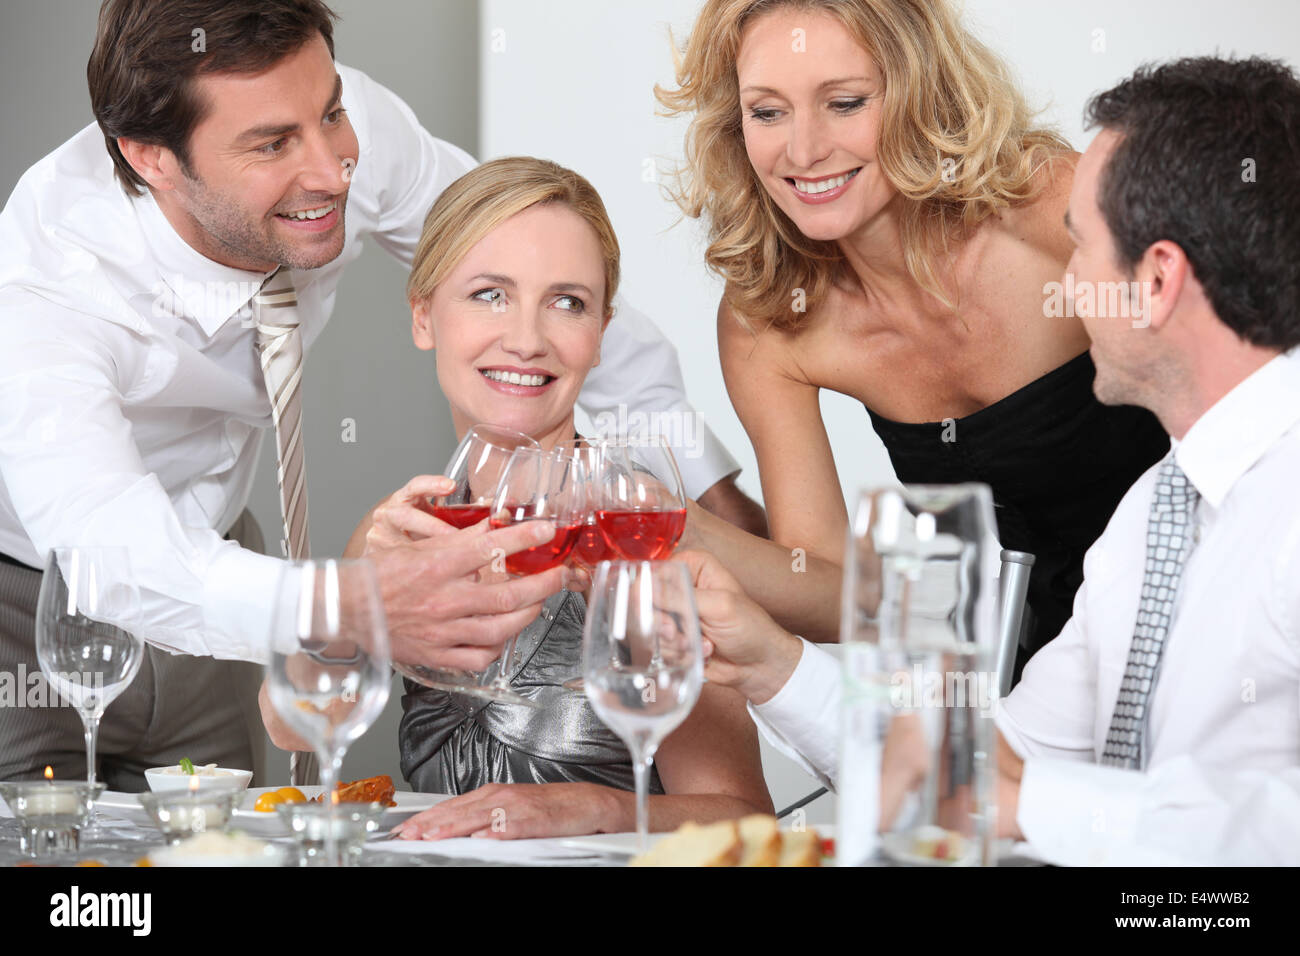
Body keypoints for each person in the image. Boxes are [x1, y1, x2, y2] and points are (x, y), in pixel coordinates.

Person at [0, 0, 759, 787]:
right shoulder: (48, 284)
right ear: (149, 156)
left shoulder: (338, 129)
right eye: (272, 145)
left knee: (212, 841)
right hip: (34, 601)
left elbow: (540, 246)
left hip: (230, 567)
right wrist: (353, 606)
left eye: (330, 114)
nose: (333, 171)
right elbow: (110, 555)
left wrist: (711, 501)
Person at [677, 55, 1300, 866]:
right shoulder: (1154, 516)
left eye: (1080, 250)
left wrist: (1030, 806)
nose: (1063, 288)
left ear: (1155, 280)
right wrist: (771, 664)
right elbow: (972, 770)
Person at [264, 157, 773, 838]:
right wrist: (363, 602)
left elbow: (744, 817)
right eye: (489, 294)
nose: (527, 340)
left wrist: (593, 808)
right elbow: (290, 724)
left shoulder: (636, 534)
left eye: (568, 303)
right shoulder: (405, 530)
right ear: (423, 317)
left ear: (598, 337)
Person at [655, 0, 1169, 672]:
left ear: (920, 89)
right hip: (1024, 679)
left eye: (844, 103)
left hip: (1199, 614)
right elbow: (834, 586)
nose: (804, 151)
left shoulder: (1056, 205)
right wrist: (676, 531)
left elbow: (1245, 384)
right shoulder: (768, 316)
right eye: (768, 111)